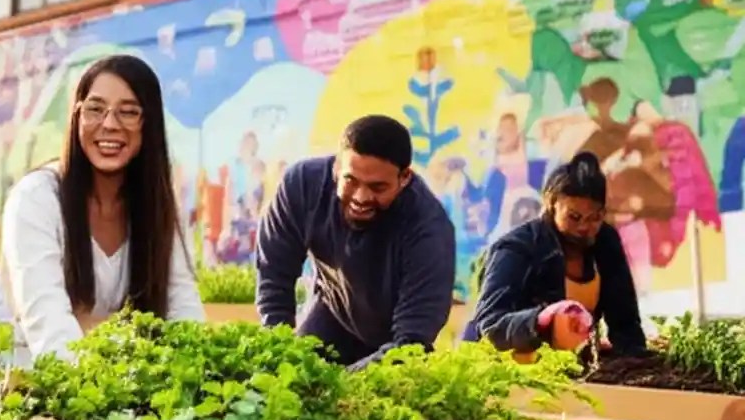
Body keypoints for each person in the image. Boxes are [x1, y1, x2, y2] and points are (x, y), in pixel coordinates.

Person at [0, 54, 205, 375]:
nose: (110, 124)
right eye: (95, 109)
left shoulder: (158, 209)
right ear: (76, 118)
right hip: (9, 377)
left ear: (150, 124)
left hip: (103, 380)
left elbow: (183, 308)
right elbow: (46, 323)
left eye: (128, 112)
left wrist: (196, 374)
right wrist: (100, 391)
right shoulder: (36, 198)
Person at [255, 114, 457, 370]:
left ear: (404, 178)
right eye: (351, 181)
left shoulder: (428, 230)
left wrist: (341, 387)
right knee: (295, 377)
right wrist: (277, 350)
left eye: (378, 187)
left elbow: (412, 342)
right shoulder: (303, 186)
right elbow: (274, 273)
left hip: (393, 339)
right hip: (333, 314)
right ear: (338, 167)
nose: (361, 197)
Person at [462, 152, 650, 358]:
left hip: (565, 370)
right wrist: (540, 321)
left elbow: (624, 321)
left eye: (595, 217)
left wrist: (634, 361)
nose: (584, 227)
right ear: (551, 204)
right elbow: (489, 326)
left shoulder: (605, 241)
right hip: (500, 370)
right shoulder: (515, 249)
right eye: (574, 217)